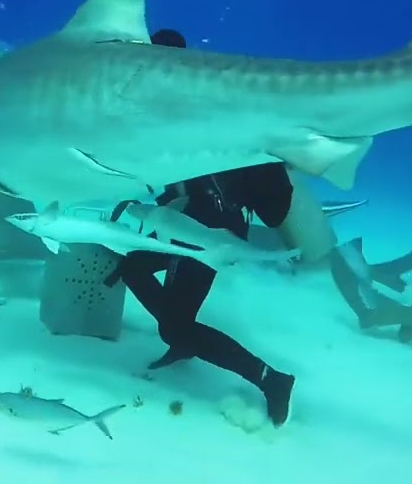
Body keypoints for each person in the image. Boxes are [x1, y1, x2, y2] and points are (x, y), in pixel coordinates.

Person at [103, 27, 298, 427]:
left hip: (210, 232)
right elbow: (180, 181)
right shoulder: (167, 109)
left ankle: (271, 379)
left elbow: (233, 191)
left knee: (173, 324)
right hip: (187, 221)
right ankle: (183, 340)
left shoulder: (202, 110)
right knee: (134, 265)